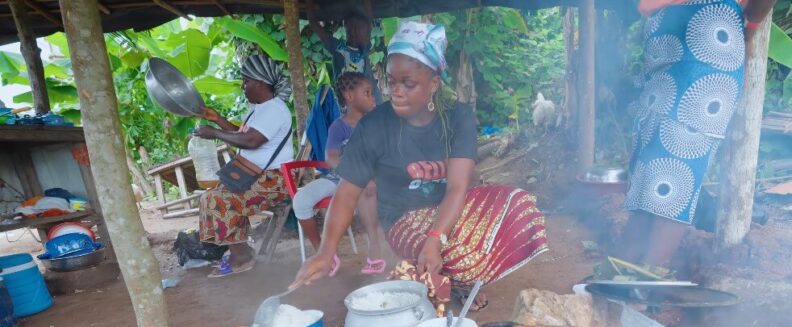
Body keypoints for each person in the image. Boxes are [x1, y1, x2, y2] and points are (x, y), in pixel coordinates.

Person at [290, 21, 548, 309]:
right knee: (462, 257)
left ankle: (443, 277)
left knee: (521, 204)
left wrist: (436, 237)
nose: (395, 91)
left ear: (434, 84)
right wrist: (325, 252)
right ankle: (443, 279)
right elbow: (347, 193)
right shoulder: (374, 126)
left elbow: (458, 187)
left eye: (408, 84)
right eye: (390, 81)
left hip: (451, 208)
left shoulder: (458, 117)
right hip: (403, 218)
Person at [613, 0, 777, 270]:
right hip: (664, 48)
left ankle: (643, 288)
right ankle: (620, 271)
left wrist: (751, 27)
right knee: (647, 178)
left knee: (675, 178)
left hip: (706, 38)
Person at [194, 55, 294, 277]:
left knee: (218, 200)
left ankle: (241, 257)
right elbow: (242, 134)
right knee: (213, 196)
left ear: (259, 82)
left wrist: (214, 133)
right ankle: (241, 250)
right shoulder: (259, 109)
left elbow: (251, 141)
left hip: (274, 182)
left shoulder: (275, 110)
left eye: (246, 81)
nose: (243, 86)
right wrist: (218, 119)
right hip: (256, 177)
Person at [292, 72, 385, 276]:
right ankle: (324, 252)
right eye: (367, 93)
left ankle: (375, 247)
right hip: (340, 177)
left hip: (373, 179)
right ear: (350, 96)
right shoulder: (339, 127)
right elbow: (331, 157)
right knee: (301, 200)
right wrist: (353, 173)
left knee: (365, 191)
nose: (373, 98)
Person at [308, 3, 382, 104]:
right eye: (354, 28)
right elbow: (314, 24)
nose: (367, 31)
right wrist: (309, 4)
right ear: (350, 30)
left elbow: (369, 21)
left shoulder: (363, 48)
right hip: (349, 108)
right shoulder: (338, 48)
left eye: (362, 28)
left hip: (372, 105)